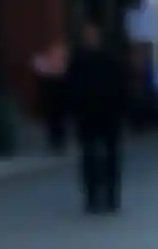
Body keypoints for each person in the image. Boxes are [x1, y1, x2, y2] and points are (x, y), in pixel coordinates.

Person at [67, 22, 127, 213]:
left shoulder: (111, 59)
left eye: (92, 35)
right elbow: (71, 88)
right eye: (87, 35)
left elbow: (121, 86)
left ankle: (111, 196)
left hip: (109, 114)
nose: (90, 38)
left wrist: (122, 109)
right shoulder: (78, 60)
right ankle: (92, 196)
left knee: (111, 156)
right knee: (89, 157)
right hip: (87, 115)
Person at [33, 42, 70, 153]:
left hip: (59, 101)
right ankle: (56, 144)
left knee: (59, 123)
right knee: (53, 123)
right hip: (50, 101)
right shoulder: (45, 65)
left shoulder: (62, 67)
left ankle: (59, 144)